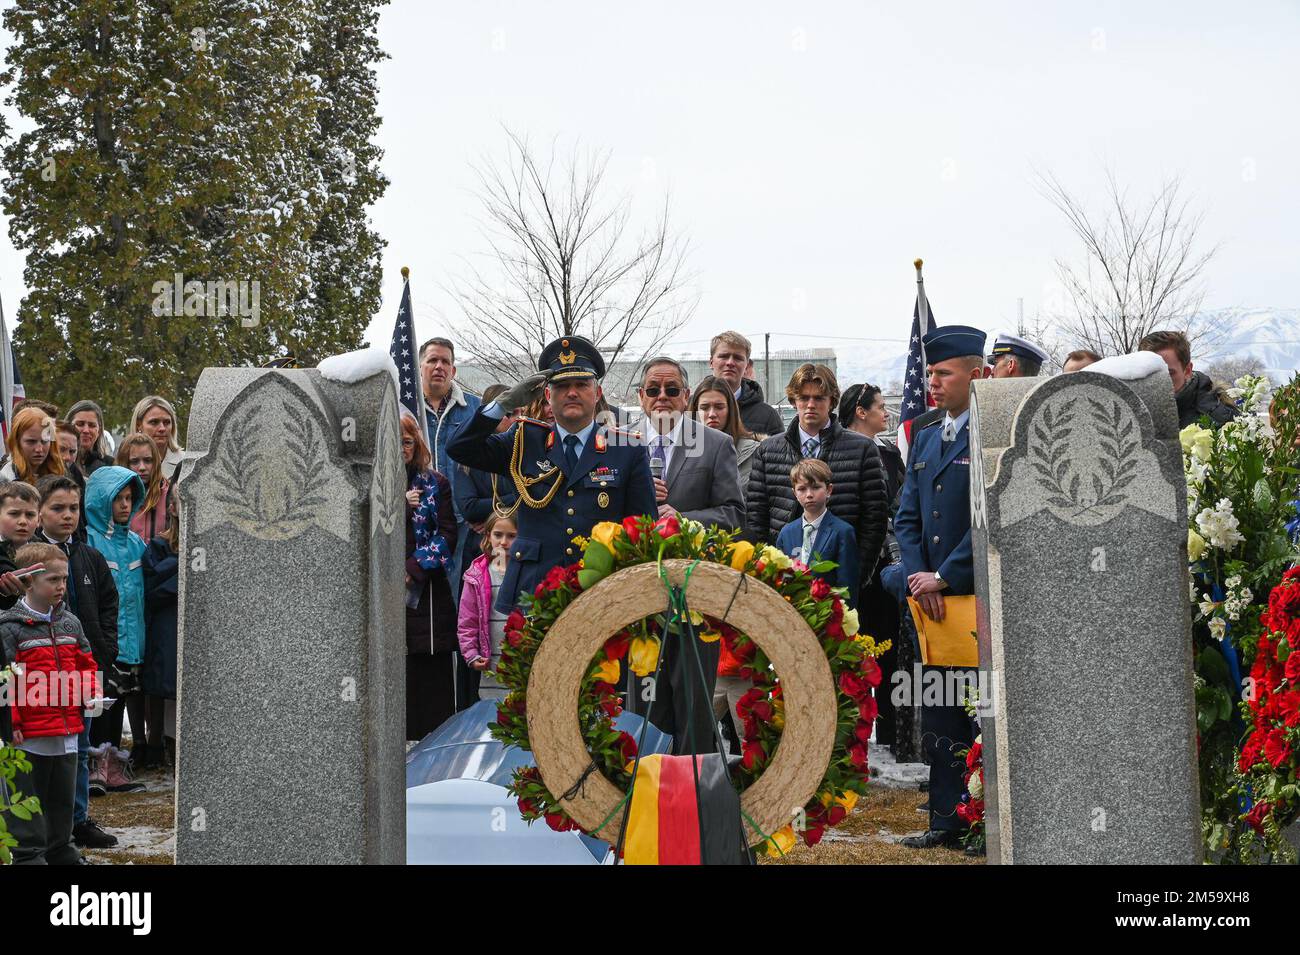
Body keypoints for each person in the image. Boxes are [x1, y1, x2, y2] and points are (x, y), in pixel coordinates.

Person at [447, 335, 656, 612]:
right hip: (535, 589)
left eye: (581, 384)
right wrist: (501, 406)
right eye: (561, 385)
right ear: (547, 395)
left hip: (602, 590)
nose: (572, 392)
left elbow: (643, 529)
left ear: (598, 393)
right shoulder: (522, 440)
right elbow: (459, 448)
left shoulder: (627, 448)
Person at [883, 324, 985, 850]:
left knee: (980, 711)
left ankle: (984, 822)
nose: (933, 383)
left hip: (975, 597)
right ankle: (946, 818)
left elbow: (989, 522)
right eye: (929, 373)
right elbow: (907, 518)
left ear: (976, 374)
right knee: (940, 709)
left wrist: (946, 575)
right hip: (933, 603)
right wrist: (922, 578)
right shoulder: (925, 436)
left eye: (943, 373)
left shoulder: (991, 434)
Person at [746, 363, 889, 592]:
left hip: (841, 578)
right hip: (782, 578)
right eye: (804, 398)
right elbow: (757, 515)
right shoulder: (768, 450)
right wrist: (768, 572)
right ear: (793, 401)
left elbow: (875, 518)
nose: (811, 405)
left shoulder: (862, 449)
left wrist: (856, 575)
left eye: (819, 398)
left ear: (832, 401)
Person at [0, 541, 99, 864]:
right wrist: (10, 723)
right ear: (28, 581)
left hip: (67, 728)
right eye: (52, 580)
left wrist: (91, 697)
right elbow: (6, 680)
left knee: (61, 796)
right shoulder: (10, 628)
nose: (61, 587)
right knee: (28, 794)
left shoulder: (70, 623)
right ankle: (28, 852)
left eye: (64, 579)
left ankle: (60, 846)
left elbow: (86, 664)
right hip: (28, 734)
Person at [35, 475, 120, 848]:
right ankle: (47, 826)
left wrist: (106, 650)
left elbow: (108, 604)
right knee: (50, 749)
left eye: (73, 508)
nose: (67, 515)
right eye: (57, 508)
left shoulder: (90, 556)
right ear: (39, 512)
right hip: (44, 674)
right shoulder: (31, 557)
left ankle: (78, 820)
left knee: (81, 746)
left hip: (85, 670)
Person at [840, 382, 904, 750]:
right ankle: (852, 734)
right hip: (849, 566)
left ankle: (892, 732)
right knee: (850, 654)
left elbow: (900, 504)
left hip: (884, 567)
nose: (887, 413)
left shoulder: (890, 452)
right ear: (860, 412)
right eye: (880, 406)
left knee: (887, 651)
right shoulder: (839, 449)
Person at [84, 466, 150, 781]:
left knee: (120, 699)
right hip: (103, 640)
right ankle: (97, 761)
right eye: (117, 499)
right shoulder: (90, 541)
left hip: (131, 641)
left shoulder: (137, 544)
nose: (125, 505)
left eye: (129, 498)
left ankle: (112, 763)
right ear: (100, 501)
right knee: (99, 704)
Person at [634, 358, 745, 531]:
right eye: (653, 390)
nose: (662, 396)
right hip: (632, 555)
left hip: (692, 556)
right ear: (641, 396)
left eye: (672, 390)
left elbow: (734, 514)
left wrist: (682, 520)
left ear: (686, 396)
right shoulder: (618, 441)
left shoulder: (716, 444)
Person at [401, 414, 458, 740]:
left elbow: (448, 534)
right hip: (384, 595)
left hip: (428, 600)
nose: (402, 449)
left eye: (408, 442)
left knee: (431, 685)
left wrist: (412, 570)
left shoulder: (436, 483)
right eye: (395, 442)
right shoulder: (369, 485)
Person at [418, 337, 481, 594]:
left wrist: (488, 513)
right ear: (419, 366)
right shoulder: (402, 409)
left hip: (463, 526)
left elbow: (492, 465)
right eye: (432, 360)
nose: (439, 366)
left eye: (445, 361)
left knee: (456, 601)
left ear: (453, 370)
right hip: (415, 523)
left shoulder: (475, 409)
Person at [776, 458, 858, 603]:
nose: (809, 494)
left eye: (815, 487)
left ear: (829, 490)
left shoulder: (843, 532)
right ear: (794, 493)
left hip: (828, 612)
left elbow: (847, 585)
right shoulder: (786, 533)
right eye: (802, 489)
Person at [457, 512, 518, 703]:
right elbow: (467, 622)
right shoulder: (476, 575)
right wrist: (471, 654)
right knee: (493, 717)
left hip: (522, 664)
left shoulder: (526, 572)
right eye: (498, 535)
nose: (503, 542)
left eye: (511, 536)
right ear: (488, 536)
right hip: (491, 665)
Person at [141, 493, 179, 771]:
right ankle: (164, 747)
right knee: (169, 689)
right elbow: (153, 589)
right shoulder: (159, 545)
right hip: (168, 624)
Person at [1139, 329, 1239, 429]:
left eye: (1168, 374)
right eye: (1150, 373)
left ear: (1187, 371)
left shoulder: (1221, 421)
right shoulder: (1131, 412)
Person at [687, 375, 761, 504]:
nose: (712, 414)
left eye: (719, 407)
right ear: (694, 411)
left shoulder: (755, 453)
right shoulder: (679, 451)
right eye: (704, 408)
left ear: (730, 410)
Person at [708, 331, 784, 437]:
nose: (730, 362)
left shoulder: (768, 416)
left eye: (737, 358)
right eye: (724, 356)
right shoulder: (690, 409)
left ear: (746, 365)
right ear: (711, 362)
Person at [116, 433, 170, 542]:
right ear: (124, 462)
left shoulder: (169, 495)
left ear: (155, 462)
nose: (142, 467)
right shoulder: (113, 497)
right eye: (134, 461)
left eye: (148, 460)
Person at [1, 406, 66, 483]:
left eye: (45, 441)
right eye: (31, 442)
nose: (39, 449)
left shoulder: (62, 473)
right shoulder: (6, 480)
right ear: (16, 442)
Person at [130, 396, 184, 486]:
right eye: (154, 422)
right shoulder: (124, 461)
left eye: (167, 422)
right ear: (138, 425)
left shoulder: (186, 462)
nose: (162, 428)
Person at [66, 400, 114, 476]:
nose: (86, 430)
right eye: (80, 424)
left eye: (92, 425)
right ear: (68, 426)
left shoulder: (111, 467)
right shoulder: (57, 462)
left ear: (99, 431)